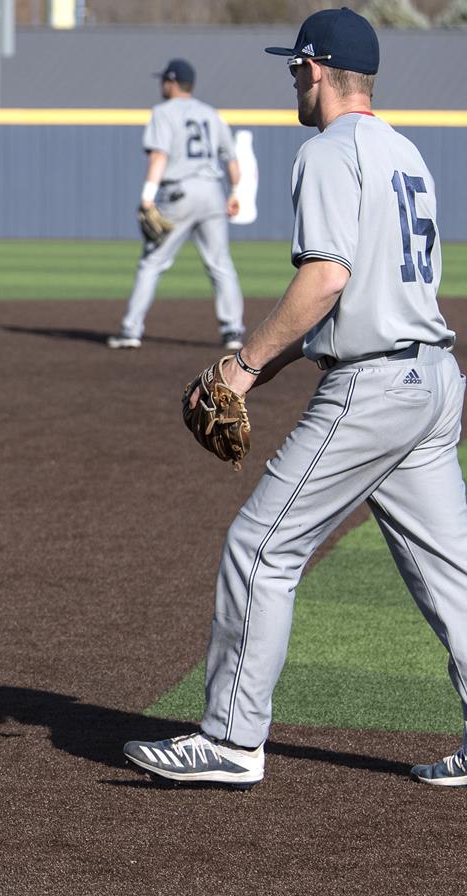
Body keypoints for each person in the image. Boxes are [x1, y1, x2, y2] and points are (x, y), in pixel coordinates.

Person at [124, 7, 467, 788]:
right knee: (454, 576)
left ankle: (231, 740)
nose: (290, 79)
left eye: (293, 68)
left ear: (316, 69)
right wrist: (261, 368)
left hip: (374, 385)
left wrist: (241, 370)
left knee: (261, 548)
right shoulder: (406, 152)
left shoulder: (327, 149)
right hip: (434, 381)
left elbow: (327, 280)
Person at [107, 58, 246, 351]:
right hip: (212, 191)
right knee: (221, 265)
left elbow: (159, 157)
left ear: (171, 83)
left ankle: (130, 329)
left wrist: (147, 197)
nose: (161, 86)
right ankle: (233, 331)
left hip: (179, 193)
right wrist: (235, 192)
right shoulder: (211, 114)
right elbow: (231, 159)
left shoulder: (163, 112)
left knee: (152, 263)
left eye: (163, 81)